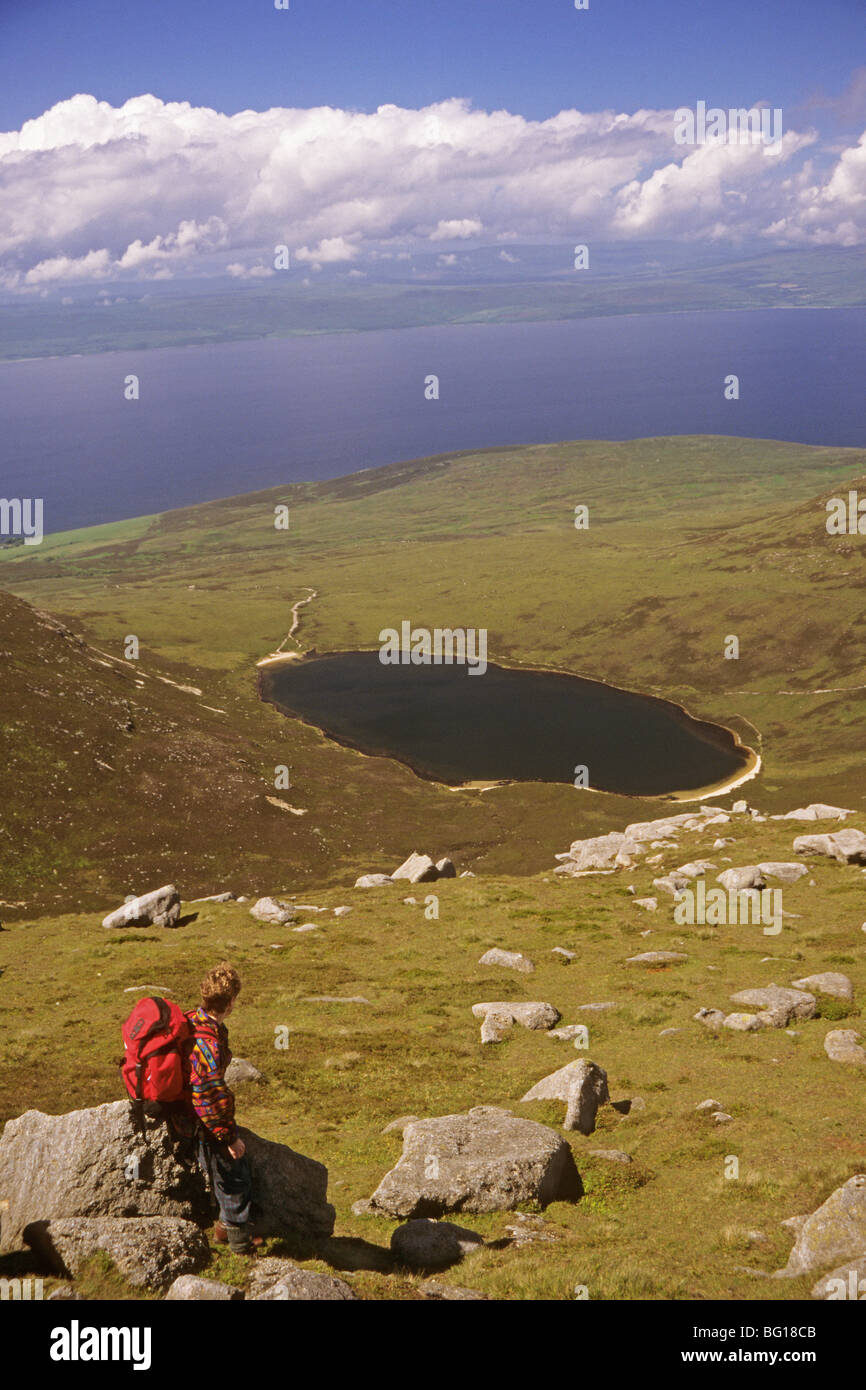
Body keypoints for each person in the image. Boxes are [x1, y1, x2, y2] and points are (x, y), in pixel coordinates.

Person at [186, 961, 262, 1254]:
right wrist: (228, 1137)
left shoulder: (194, 1019)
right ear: (230, 1003)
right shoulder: (209, 1042)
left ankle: (221, 1228)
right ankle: (240, 1243)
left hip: (191, 1115)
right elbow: (209, 1095)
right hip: (201, 1121)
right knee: (234, 1172)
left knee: (223, 1170)